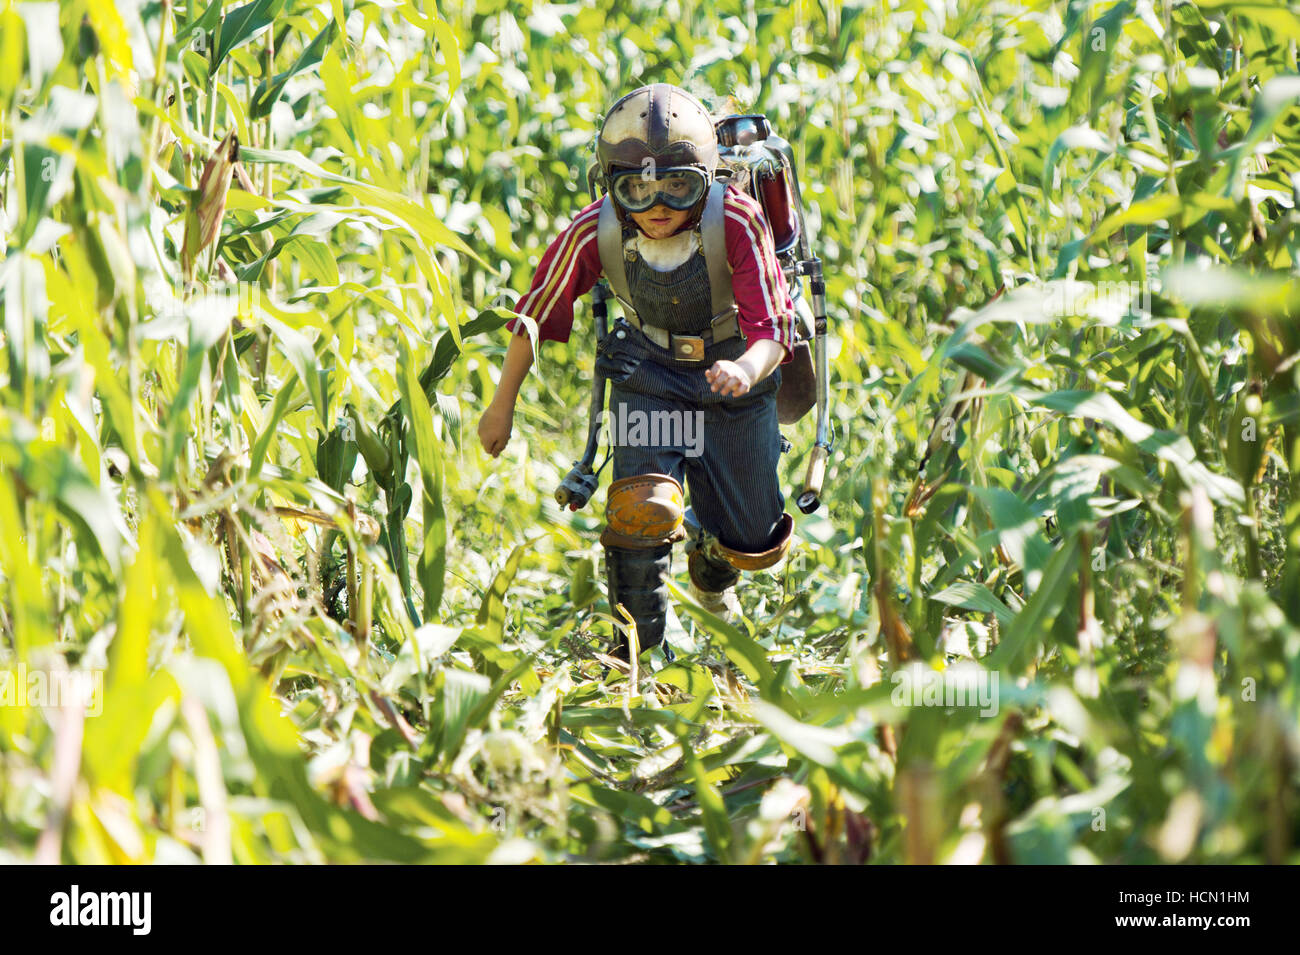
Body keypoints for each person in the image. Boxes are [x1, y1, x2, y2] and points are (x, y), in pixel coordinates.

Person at [477, 83, 797, 660]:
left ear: (706, 179)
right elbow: (533, 318)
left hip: (734, 379)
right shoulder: (594, 230)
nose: (657, 207)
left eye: (679, 187)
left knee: (753, 538)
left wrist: (747, 369)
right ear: (612, 186)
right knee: (638, 511)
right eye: (637, 190)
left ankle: (711, 559)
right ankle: (637, 655)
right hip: (648, 374)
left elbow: (773, 328)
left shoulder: (738, 220)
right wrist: (501, 406)